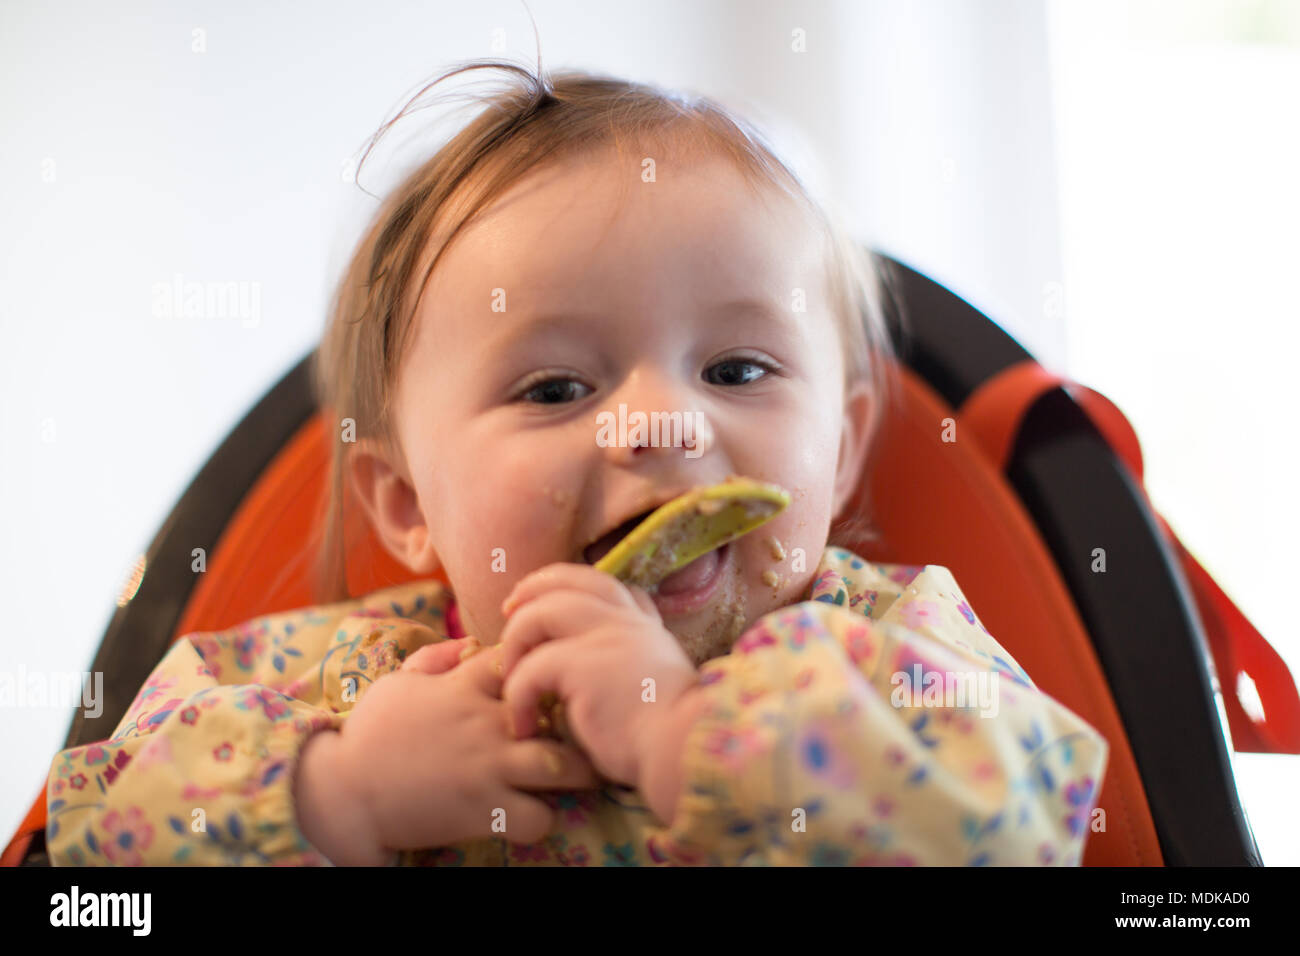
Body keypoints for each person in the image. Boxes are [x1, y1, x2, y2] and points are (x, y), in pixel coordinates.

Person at [45, 61, 1107, 866]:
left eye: (736, 368)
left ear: (835, 451)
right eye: (555, 389)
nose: (658, 426)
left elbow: (1014, 821)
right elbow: (87, 847)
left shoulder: (889, 651)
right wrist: (338, 796)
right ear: (409, 502)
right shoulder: (332, 689)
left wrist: (684, 730)